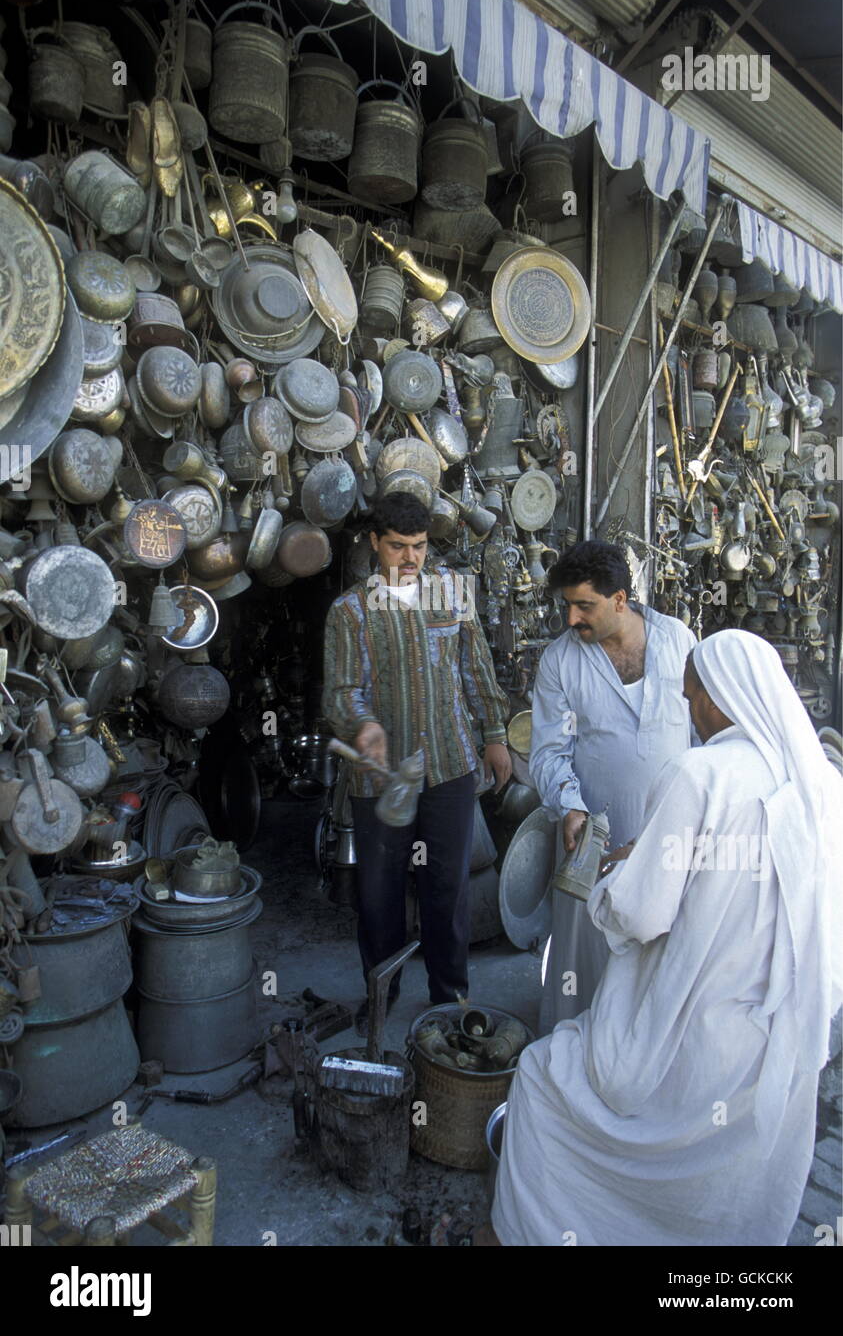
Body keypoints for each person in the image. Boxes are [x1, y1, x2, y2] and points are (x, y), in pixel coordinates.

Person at [490, 630, 843, 1247]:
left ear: (717, 696)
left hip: (689, 1033)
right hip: (773, 1037)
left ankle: (544, 1231)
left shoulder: (699, 775)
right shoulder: (822, 787)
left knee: (543, 1075)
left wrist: (616, 873)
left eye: (692, 701)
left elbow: (641, 915)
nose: (691, 716)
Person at [322, 492, 511, 1031]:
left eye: (420, 546)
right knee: (379, 895)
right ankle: (381, 997)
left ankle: (450, 997)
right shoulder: (350, 613)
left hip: (450, 763)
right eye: (399, 547)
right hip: (380, 778)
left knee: (446, 887)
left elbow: (476, 668)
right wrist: (364, 724)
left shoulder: (452, 592)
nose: (411, 558)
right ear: (376, 544)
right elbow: (340, 691)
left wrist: (494, 733)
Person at [529, 540, 695, 1031]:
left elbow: (702, 735)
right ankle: (577, 1069)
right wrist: (570, 806)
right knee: (587, 968)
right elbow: (548, 753)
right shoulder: (560, 662)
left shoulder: (679, 640)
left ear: (620, 599)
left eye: (585, 606)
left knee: (662, 960)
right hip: (590, 842)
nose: (572, 619)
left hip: (669, 836)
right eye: (568, 606)